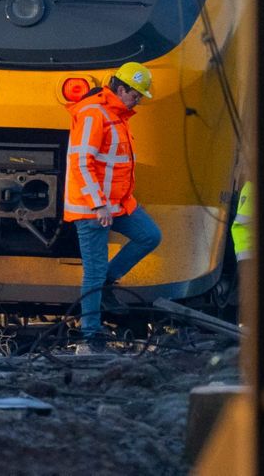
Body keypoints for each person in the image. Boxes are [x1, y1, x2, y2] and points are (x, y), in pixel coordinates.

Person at [64, 61, 163, 351]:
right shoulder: (95, 114)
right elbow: (81, 162)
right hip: (92, 209)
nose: (139, 101)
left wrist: (115, 203)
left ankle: (107, 283)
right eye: (136, 95)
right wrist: (98, 205)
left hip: (117, 205)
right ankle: (90, 334)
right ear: (121, 89)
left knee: (150, 235)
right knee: (92, 272)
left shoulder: (115, 114)